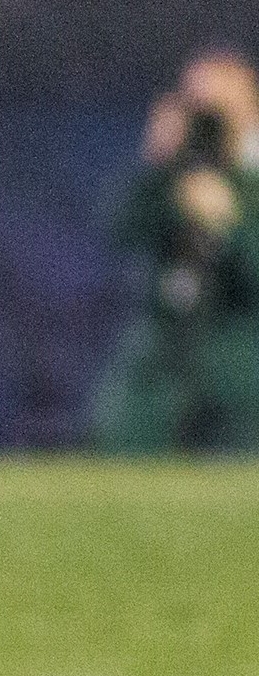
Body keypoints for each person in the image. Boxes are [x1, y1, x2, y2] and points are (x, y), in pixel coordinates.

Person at [92, 47, 259, 452]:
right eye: (196, 106)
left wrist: (230, 222)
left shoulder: (250, 183)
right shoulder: (171, 178)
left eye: (219, 110)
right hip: (160, 352)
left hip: (237, 358)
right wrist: (161, 162)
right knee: (118, 472)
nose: (206, 122)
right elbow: (119, 231)